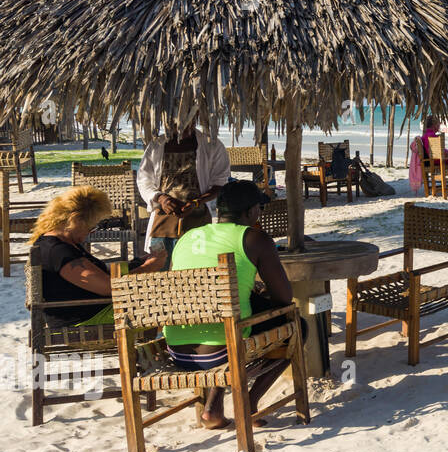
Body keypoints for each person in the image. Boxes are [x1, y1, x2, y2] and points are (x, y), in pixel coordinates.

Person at [166, 180, 298, 429]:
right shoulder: (254, 238)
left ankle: (213, 408)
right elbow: (283, 298)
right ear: (250, 212)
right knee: (296, 325)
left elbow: (184, 291)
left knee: (226, 319)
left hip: (177, 348)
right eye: (259, 208)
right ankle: (249, 400)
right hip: (222, 350)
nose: (260, 213)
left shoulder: (187, 237)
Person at [29, 186, 166, 328]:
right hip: (84, 321)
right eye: (91, 227)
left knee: (161, 297)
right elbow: (108, 287)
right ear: (75, 220)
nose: (92, 232)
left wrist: (137, 263)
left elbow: (101, 274)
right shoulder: (58, 251)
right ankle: (176, 346)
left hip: (94, 310)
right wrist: (149, 267)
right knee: (164, 304)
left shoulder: (61, 242)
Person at [137, 123, 231, 260]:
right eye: (177, 123)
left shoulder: (212, 145)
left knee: (196, 268)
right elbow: (144, 180)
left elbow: (221, 183)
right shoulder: (157, 145)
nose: (183, 126)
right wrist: (162, 199)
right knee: (160, 269)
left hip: (198, 219)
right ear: (167, 119)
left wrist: (197, 202)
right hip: (163, 221)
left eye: (189, 121)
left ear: (197, 116)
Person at [407, 115, 443, 193]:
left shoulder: (425, 135)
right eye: (438, 124)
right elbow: (438, 153)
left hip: (432, 160)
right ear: (434, 125)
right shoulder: (432, 136)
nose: (439, 126)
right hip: (437, 161)